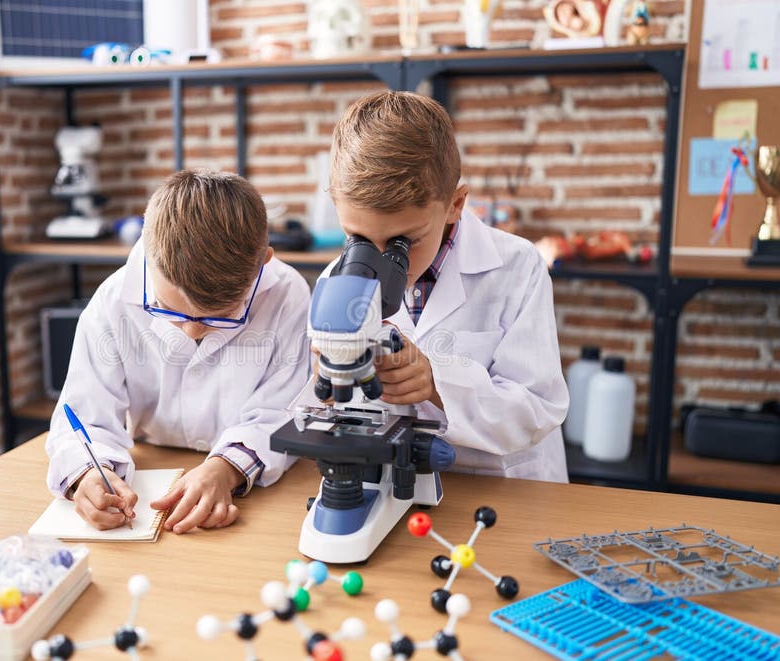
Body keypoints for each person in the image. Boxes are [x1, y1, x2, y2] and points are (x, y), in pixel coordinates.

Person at [323, 90, 569, 481]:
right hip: (392, 482)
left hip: (500, 488)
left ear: (456, 203)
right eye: (360, 240)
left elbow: (539, 409)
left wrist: (438, 383)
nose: (385, 265)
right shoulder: (334, 281)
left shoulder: (517, 268)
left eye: (406, 242)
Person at [46, 170, 311, 532]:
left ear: (262, 264)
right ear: (149, 259)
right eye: (168, 310)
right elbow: (83, 417)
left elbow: (283, 410)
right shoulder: (112, 300)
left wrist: (225, 469)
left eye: (221, 317)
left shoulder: (287, 295)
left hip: (258, 497)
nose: (193, 330)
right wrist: (88, 473)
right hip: (153, 467)